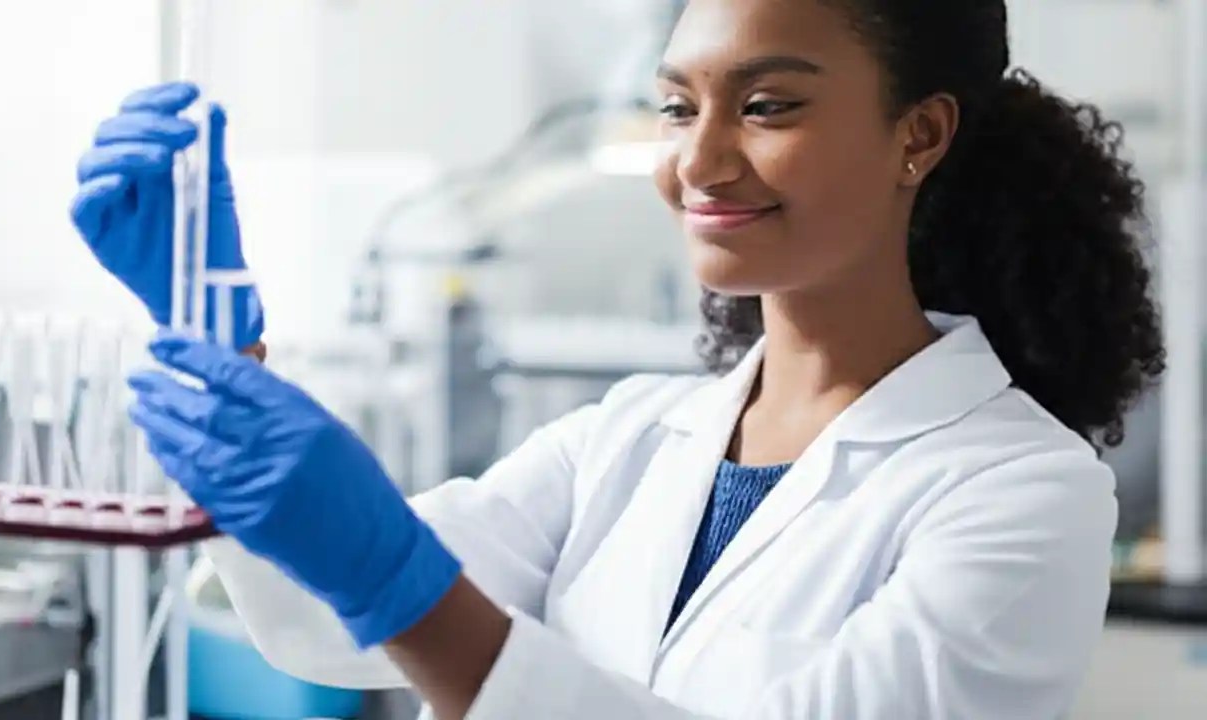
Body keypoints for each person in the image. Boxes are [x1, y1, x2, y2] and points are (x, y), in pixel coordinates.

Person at [70, 1, 1165, 718]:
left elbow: (403, 600)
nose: (697, 160)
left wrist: (402, 588)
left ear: (916, 137)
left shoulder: (1022, 490)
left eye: (767, 105)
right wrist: (220, 348)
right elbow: (324, 630)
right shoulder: (628, 437)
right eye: (676, 107)